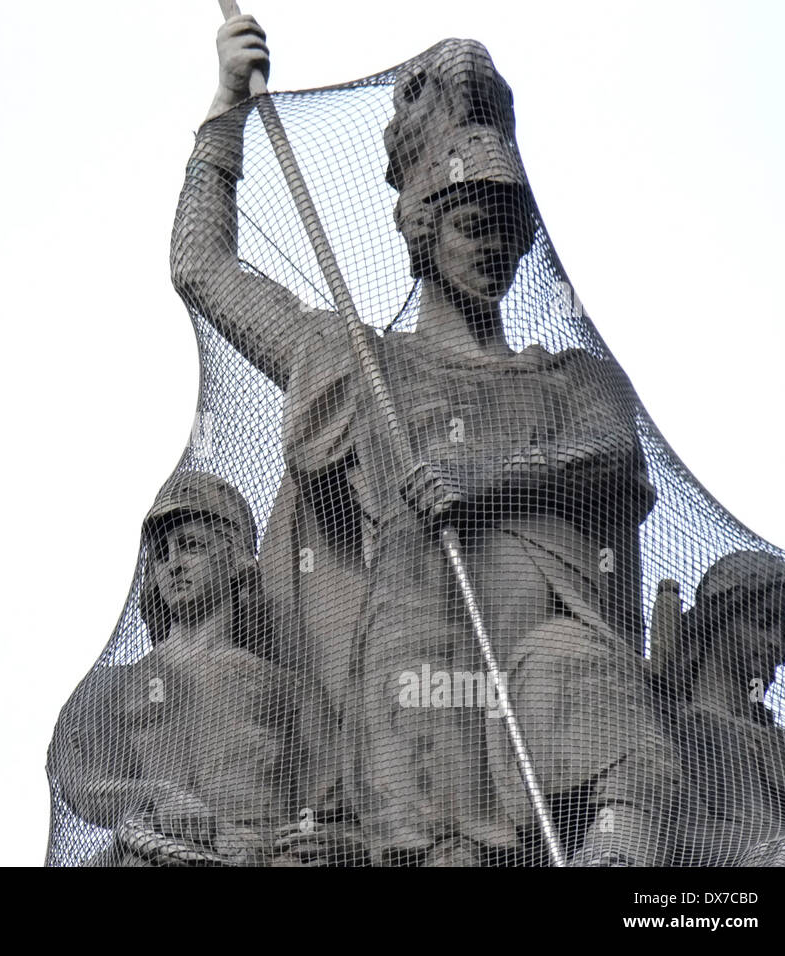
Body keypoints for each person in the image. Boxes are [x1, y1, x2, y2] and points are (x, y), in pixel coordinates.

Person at [170, 15, 678, 864]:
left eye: (508, 230)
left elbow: (614, 461)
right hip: (419, 637)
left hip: (552, 634)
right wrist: (224, 114)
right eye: (473, 223)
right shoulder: (357, 364)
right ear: (420, 230)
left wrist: (480, 482)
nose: (495, 248)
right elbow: (202, 269)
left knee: (600, 707)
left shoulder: (574, 378)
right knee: (426, 765)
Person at [47, 472, 346, 865]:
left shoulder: (289, 691)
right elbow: (80, 780)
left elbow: (333, 808)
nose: (172, 565)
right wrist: (159, 796)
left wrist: (333, 841)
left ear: (235, 558)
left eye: (191, 546)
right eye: (161, 555)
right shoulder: (110, 686)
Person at [668, 552, 785, 866]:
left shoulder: (784, 747)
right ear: (719, 617)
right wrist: (783, 847)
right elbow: (680, 834)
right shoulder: (685, 728)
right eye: (763, 621)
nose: (778, 645)